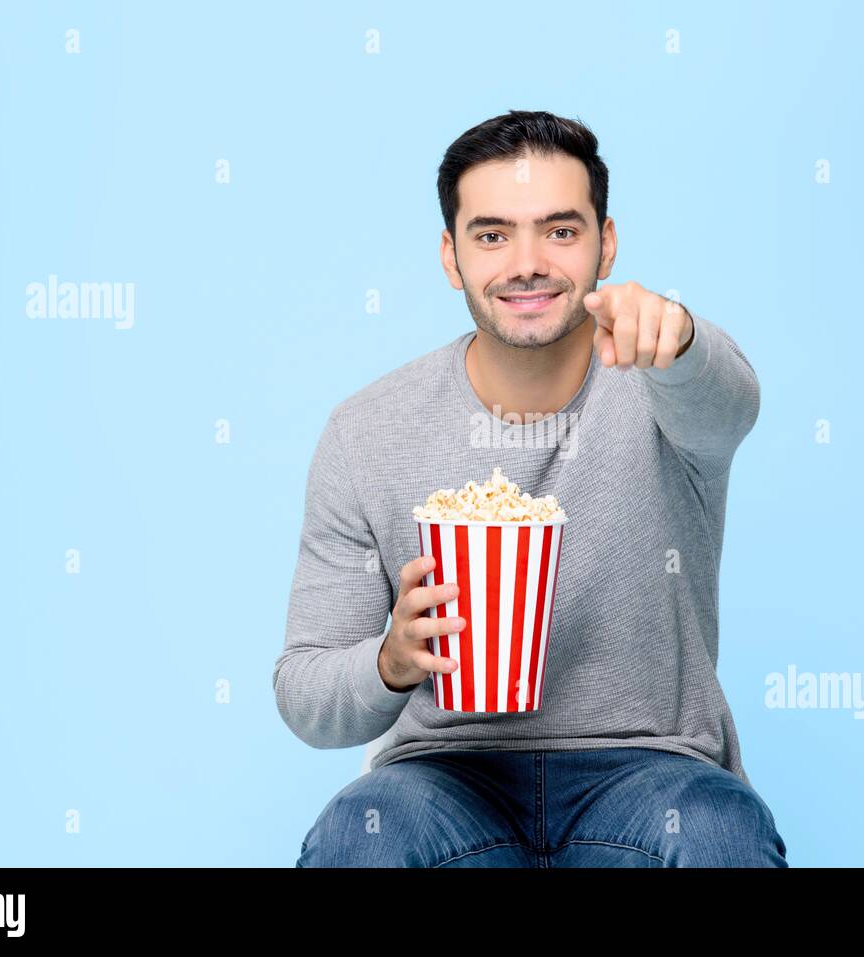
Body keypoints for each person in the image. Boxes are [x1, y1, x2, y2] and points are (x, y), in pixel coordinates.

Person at [275, 110, 787, 867]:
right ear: (451, 256)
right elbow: (305, 689)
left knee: (717, 834)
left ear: (605, 243)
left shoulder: (665, 385)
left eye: (560, 230)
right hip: (443, 780)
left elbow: (731, 402)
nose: (526, 263)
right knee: (359, 832)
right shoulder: (366, 431)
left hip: (652, 773)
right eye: (492, 234)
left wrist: (678, 336)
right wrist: (391, 660)